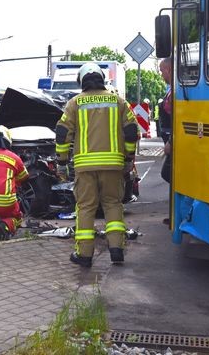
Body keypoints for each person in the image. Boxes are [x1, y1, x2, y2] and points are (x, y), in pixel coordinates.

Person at [55, 62, 138, 267]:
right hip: (113, 166)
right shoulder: (118, 102)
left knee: (85, 208)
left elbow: (63, 134)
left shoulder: (75, 103)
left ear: (81, 80)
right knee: (113, 205)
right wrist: (128, 158)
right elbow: (131, 132)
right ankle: (117, 250)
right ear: (102, 79)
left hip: (85, 167)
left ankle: (84, 255)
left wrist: (62, 163)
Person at [158, 57, 173, 185]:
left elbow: (177, 120)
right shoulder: (172, 90)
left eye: (161, 71)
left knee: (167, 173)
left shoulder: (175, 93)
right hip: (170, 137)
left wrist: (170, 141)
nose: (161, 74)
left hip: (172, 140)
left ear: (168, 70)